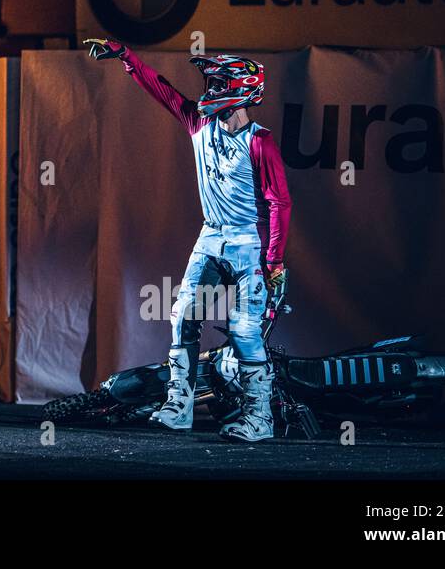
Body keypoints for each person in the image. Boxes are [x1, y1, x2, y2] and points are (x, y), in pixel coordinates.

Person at [84, 37, 291, 442]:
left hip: (248, 242)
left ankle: (259, 417)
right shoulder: (199, 121)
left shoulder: (259, 141)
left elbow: (278, 202)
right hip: (210, 235)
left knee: (245, 329)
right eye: (210, 85)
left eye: (217, 86)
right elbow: (162, 90)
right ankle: (179, 406)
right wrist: (126, 57)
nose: (208, 92)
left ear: (239, 91)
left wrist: (274, 261)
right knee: (183, 316)